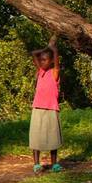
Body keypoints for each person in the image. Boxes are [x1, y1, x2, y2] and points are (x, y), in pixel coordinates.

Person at [29, 38, 63, 173]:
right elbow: (33, 53)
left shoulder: (54, 73)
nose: (42, 62)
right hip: (38, 109)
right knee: (36, 136)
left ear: (51, 61)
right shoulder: (41, 72)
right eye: (41, 60)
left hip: (51, 109)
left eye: (45, 60)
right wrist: (46, 48)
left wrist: (54, 51)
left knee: (53, 137)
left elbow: (56, 63)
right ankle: (36, 164)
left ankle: (54, 164)